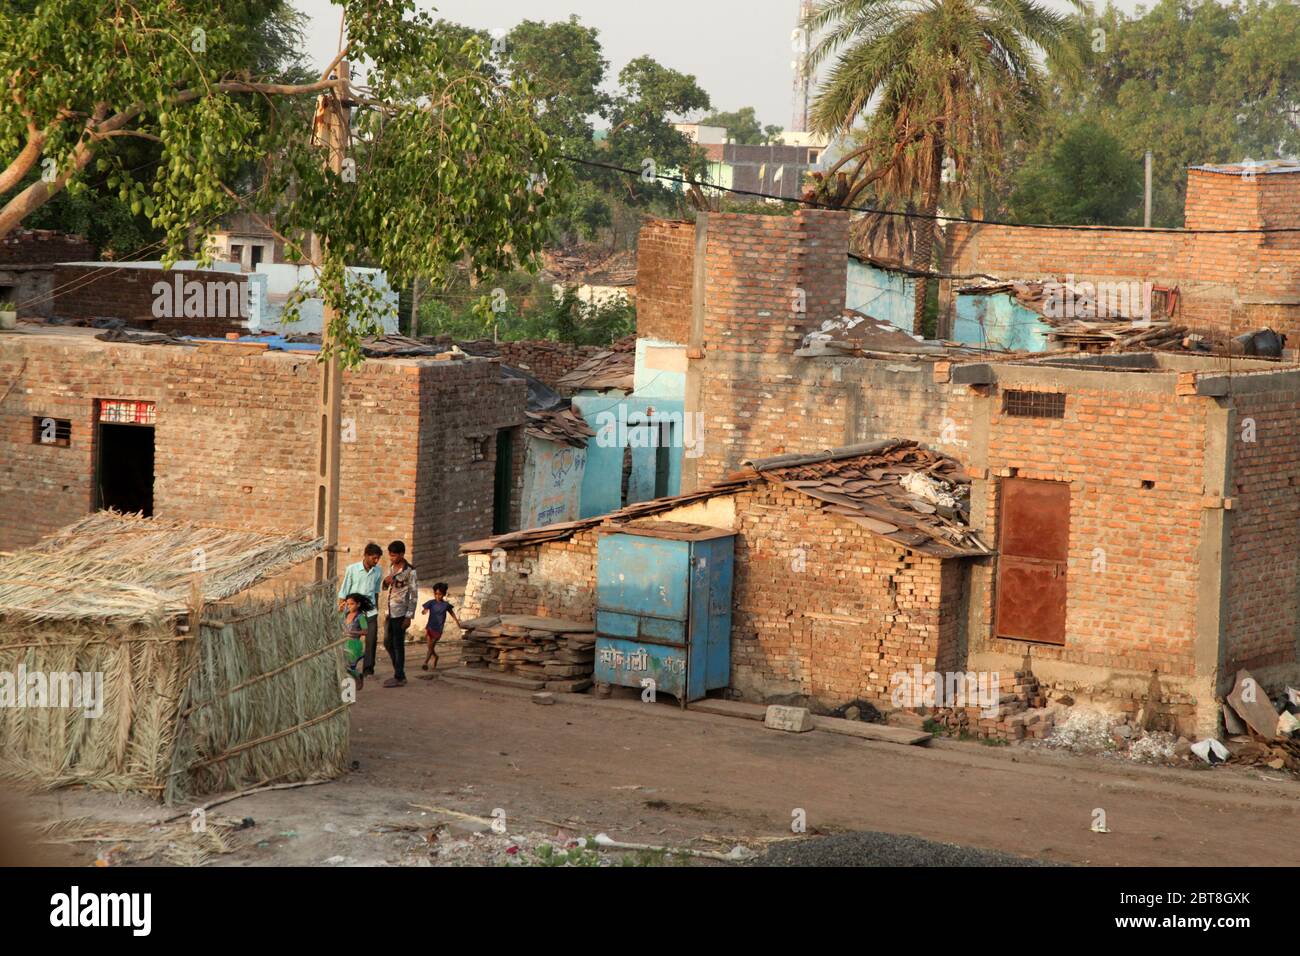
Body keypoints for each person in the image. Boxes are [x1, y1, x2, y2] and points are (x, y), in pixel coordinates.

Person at [338, 543, 383, 676]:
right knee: (349, 638)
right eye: (374, 558)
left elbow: (376, 591)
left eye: (378, 559)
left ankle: (368, 669)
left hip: (370, 611)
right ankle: (347, 666)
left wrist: (376, 608)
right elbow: (344, 589)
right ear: (366, 556)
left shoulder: (378, 571)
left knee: (371, 639)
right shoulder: (352, 569)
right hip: (353, 610)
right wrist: (341, 608)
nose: (376, 561)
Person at [381, 540, 418, 687]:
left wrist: (409, 616)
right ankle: (399, 672)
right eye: (390, 556)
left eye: (394, 556)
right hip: (389, 611)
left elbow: (414, 595)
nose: (392, 558)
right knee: (387, 642)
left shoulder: (410, 571)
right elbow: (385, 588)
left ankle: (399, 676)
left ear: (402, 554)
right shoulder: (391, 567)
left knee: (398, 644)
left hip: (401, 613)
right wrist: (385, 581)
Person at [420, 582, 461, 676]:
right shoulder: (431, 603)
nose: (438, 596)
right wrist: (424, 611)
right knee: (429, 647)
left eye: (440, 594)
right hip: (429, 627)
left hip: (438, 629)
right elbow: (424, 610)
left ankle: (425, 663)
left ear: (444, 594)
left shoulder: (445, 605)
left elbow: (452, 613)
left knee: (431, 646)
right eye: (436, 594)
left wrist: (457, 622)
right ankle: (435, 656)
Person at [341, 592, 373, 690]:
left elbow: (365, 631)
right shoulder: (345, 615)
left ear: (358, 604)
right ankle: (351, 682)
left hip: (354, 644)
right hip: (344, 643)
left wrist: (353, 632)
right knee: (343, 665)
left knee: (350, 666)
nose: (349, 606)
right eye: (348, 604)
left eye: (352, 604)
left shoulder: (360, 617)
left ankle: (357, 678)